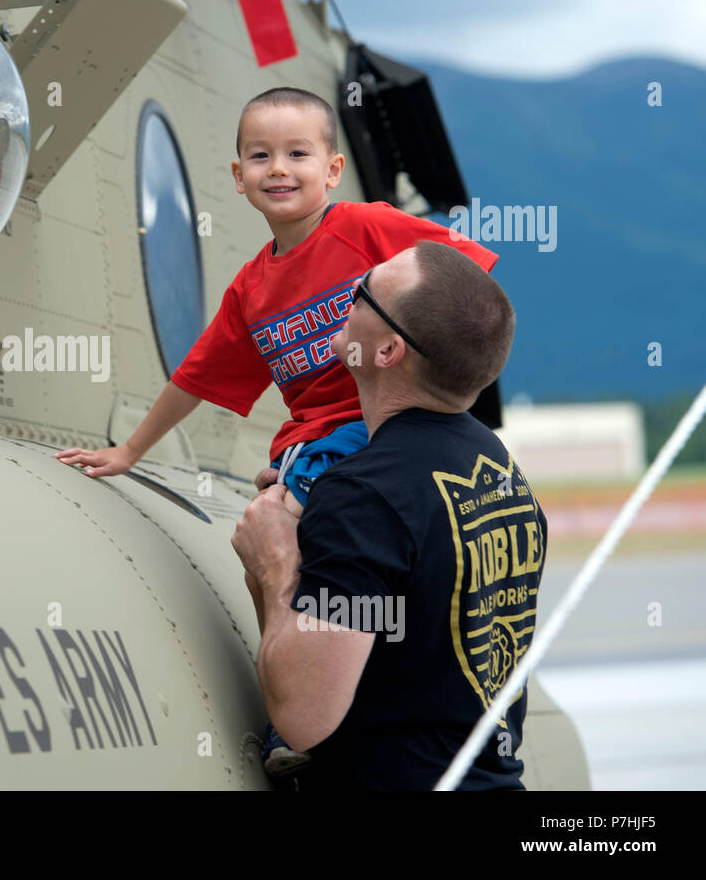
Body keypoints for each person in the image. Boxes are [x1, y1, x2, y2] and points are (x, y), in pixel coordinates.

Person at [55, 86, 498, 771]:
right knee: (259, 543)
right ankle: (295, 690)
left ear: (332, 169)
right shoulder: (251, 290)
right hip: (309, 439)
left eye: (298, 153)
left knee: (285, 519)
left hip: (369, 423)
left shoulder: (365, 227)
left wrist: (450, 370)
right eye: (260, 156)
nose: (278, 168)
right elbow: (196, 377)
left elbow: (462, 280)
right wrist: (130, 450)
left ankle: (301, 721)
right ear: (238, 177)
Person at [231, 242, 546, 790]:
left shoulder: (365, 496)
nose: (342, 301)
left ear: (387, 352)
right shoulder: (497, 468)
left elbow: (304, 717)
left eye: (359, 295)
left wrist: (277, 563)